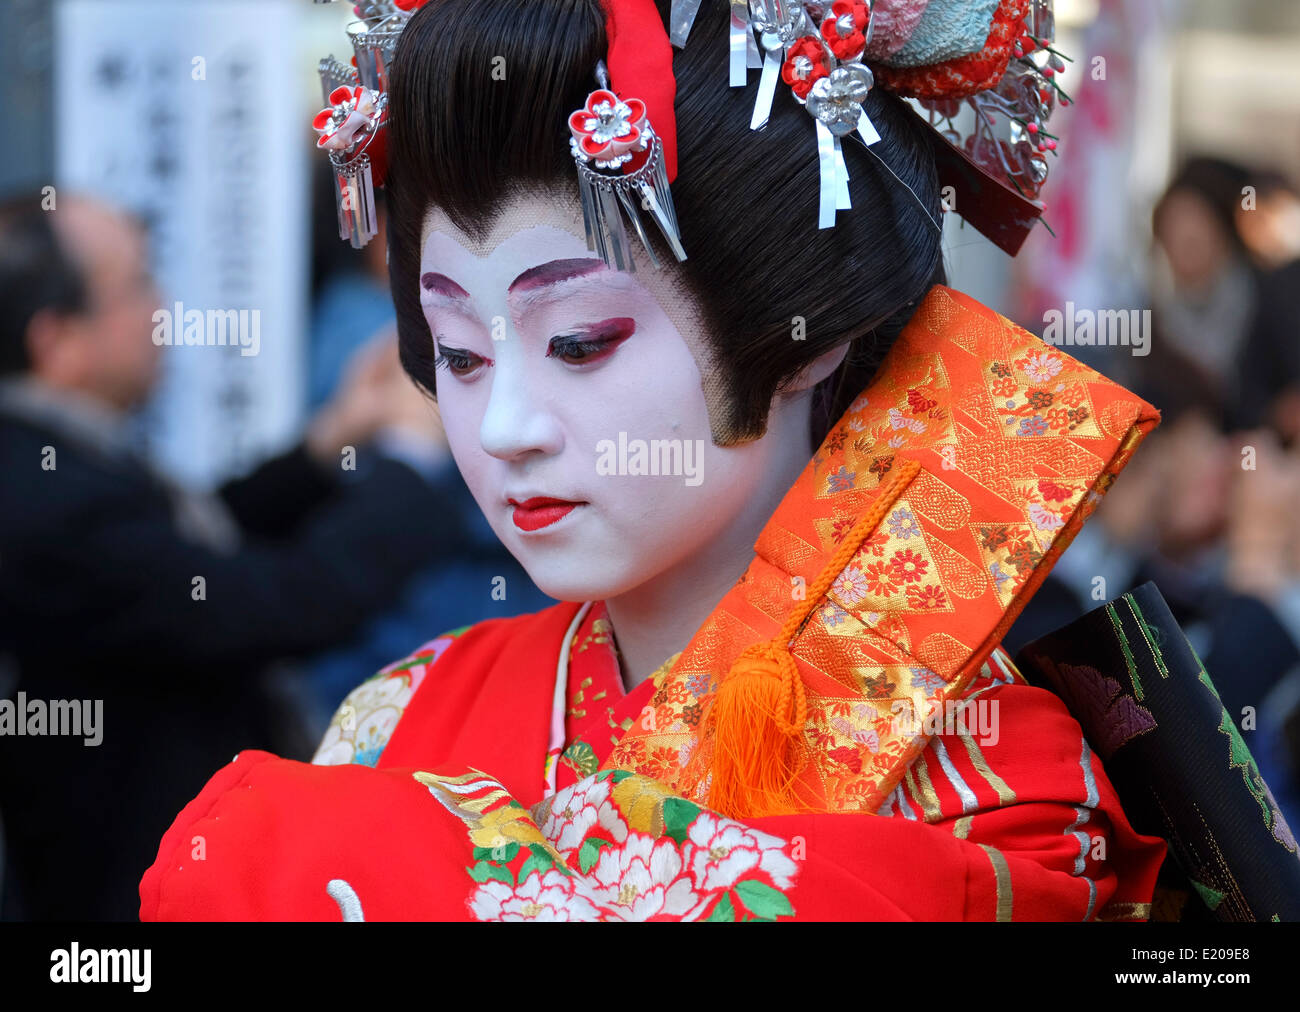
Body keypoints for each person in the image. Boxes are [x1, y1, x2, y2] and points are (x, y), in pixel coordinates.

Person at [140, 0, 1167, 921]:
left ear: (805, 331)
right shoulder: (398, 713)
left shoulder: (1000, 776)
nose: (502, 425)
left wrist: (278, 844)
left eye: (580, 341)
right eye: (456, 352)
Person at [0, 192, 477, 919]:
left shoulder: (49, 458)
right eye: (138, 286)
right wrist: (414, 458)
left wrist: (332, 441)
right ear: (56, 341)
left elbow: (193, 542)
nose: (162, 311)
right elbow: (269, 602)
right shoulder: (43, 502)